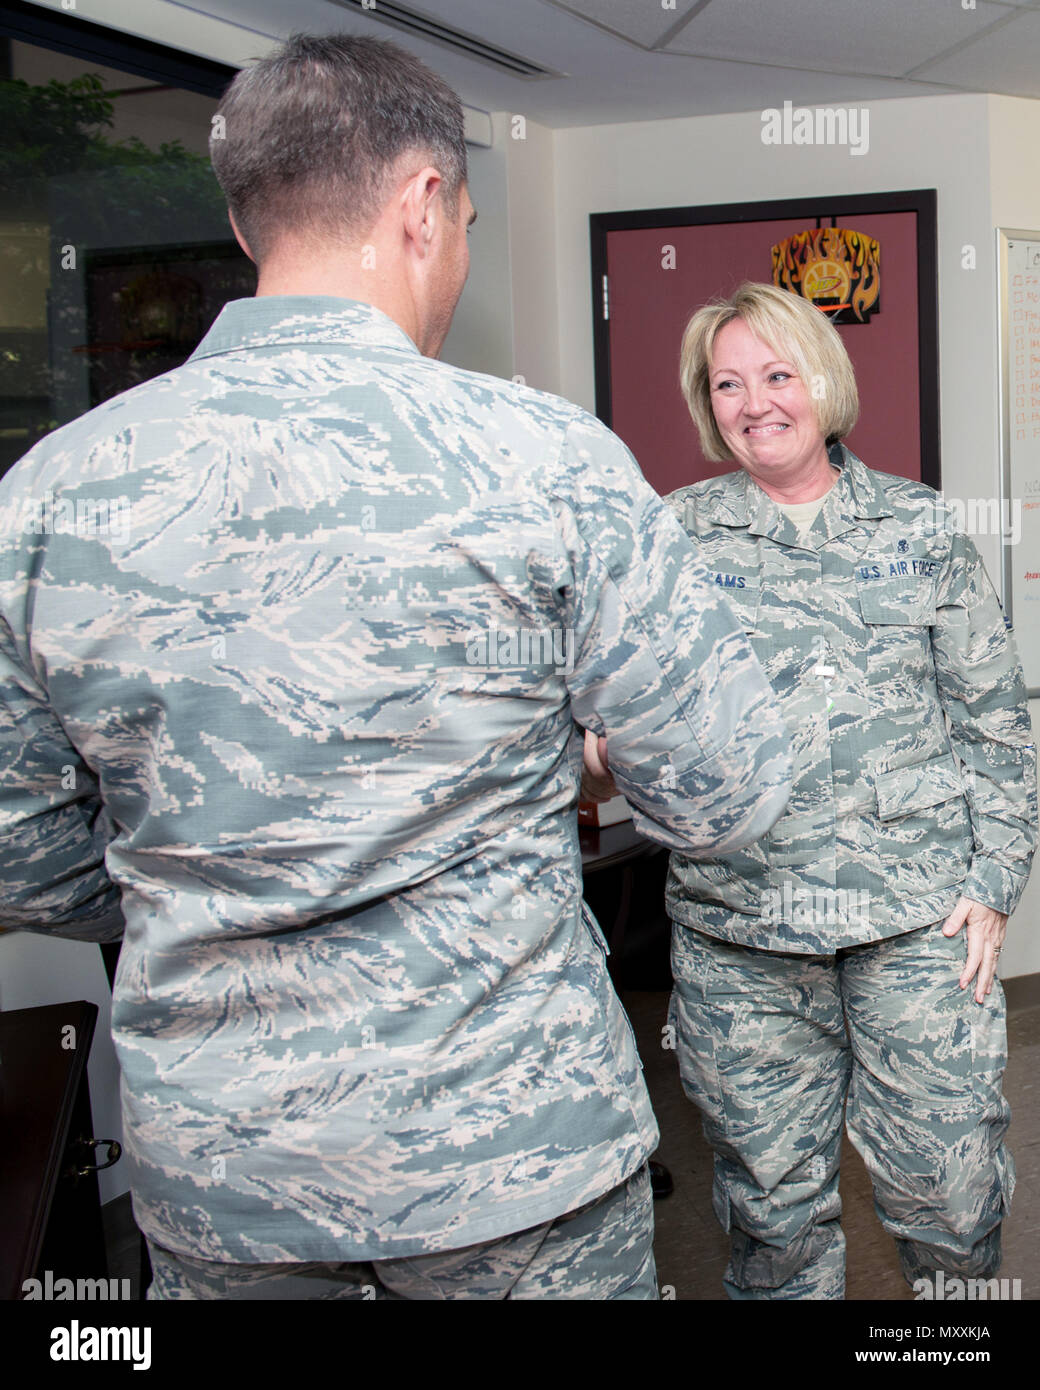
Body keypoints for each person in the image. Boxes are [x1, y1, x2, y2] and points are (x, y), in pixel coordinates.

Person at [0, 40, 791, 1300]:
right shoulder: (546, 462)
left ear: (245, 216)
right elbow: (726, 786)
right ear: (423, 205)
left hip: (227, 1177)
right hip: (510, 1155)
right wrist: (563, 759)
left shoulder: (47, 498)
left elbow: (23, 852)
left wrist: (211, 877)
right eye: (469, 220)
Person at [660, 281, 1037, 1299]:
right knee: (768, 1215)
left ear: (819, 382)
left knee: (950, 1198)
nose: (753, 403)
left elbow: (993, 718)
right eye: (726, 383)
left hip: (912, 926)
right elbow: (629, 717)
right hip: (740, 939)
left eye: (775, 375)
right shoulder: (673, 540)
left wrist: (993, 880)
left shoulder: (916, 526)